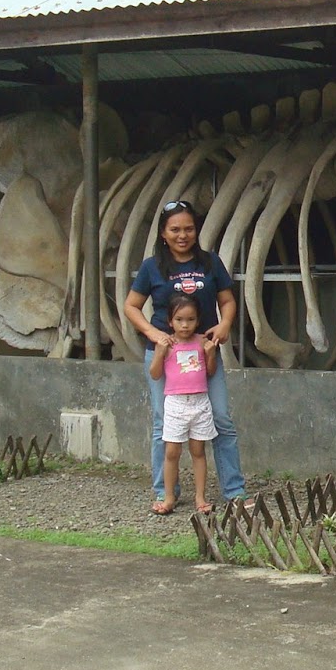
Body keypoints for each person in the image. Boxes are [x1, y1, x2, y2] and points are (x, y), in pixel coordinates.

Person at [121, 199, 246, 514]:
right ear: (163, 232)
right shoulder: (152, 267)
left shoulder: (210, 263)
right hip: (167, 357)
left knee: (221, 419)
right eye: (175, 229)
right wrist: (153, 334)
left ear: (196, 230)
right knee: (163, 424)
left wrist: (225, 324)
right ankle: (166, 493)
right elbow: (131, 306)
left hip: (204, 354)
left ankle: (235, 491)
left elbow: (227, 300)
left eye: (188, 228)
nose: (182, 235)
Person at [149, 294, 218, 515]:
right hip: (176, 404)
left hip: (200, 402)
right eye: (179, 319)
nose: (185, 325)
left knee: (198, 450)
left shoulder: (202, 342)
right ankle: (168, 497)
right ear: (170, 321)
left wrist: (210, 354)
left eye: (190, 319)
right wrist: (159, 353)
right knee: (171, 452)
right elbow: (155, 374)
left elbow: (211, 372)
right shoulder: (168, 345)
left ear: (198, 321)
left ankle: (200, 497)